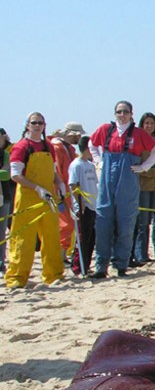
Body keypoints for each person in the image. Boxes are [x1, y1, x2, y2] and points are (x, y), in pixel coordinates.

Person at [87, 101, 155, 278]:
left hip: (128, 179)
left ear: (131, 114)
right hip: (106, 180)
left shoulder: (138, 133)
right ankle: (101, 266)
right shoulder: (105, 130)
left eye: (125, 111)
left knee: (126, 223)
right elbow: (90, 144)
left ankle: (121, 264)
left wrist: (145, 167)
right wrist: (98, 162)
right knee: (103, 221)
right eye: (119, 112)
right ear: (115, 113)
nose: (122, 115)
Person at [5, 113, 64, 289]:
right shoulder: (21, 147)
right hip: (28, 199)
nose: (37, 125)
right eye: (34, 123)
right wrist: (37, 188)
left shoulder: (48, 147)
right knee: (23, 240)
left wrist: (59, 183)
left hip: (48, 199)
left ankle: (54, 274)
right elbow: (15, 175)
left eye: (40, 123)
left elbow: (53, 171)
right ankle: (17, 278)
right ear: (28, 125)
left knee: (52, 237)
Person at [133, 112, 155, 263]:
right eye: (146, 123)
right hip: (144, 187)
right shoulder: (138, 143)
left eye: (151, 123)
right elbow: (138, 169)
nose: (149, 126)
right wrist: (154, 172)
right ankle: (141, 254)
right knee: (143, 222)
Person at [67, 137, 98, 276]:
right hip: (83, 207)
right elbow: (73, 185)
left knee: (91, 238)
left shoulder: (90, 165)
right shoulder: (76, 165)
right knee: (82, 238)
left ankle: (86, 265)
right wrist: (81, 203)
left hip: (93, 206)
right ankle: (77, 267)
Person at [51, 124, 83, 256]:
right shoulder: (57, 147)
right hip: (62, 191)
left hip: (69, 190)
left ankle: (63, 254)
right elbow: (57, 170)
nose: (80, 138)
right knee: (65, 223)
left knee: (69, 223)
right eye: (78, 135)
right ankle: (60, 255)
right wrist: (60, 189)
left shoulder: (68, 148)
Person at [0, 128, 14, 274]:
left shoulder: (5, 154)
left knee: (2, 233)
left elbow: (6, 173)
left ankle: (1, 263)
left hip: (4, 197)